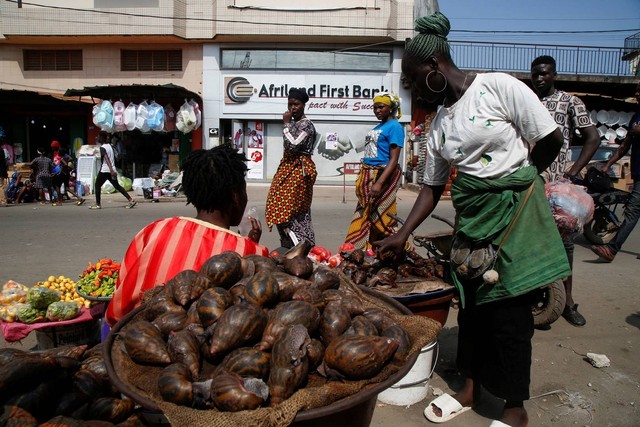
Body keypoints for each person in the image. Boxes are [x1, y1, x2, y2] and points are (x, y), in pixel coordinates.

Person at [374, 12, 569, 427]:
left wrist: (520, 186)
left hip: (514, 216)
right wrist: (402, 234)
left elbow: (550, 139)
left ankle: (514, 408)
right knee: (473, 309)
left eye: (412, 78)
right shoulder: (439, 124)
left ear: (434, 69)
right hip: (473, 222)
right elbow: (430, 187)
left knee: (511, 317)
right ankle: (469, 388)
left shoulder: (497, 87)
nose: (410, 87)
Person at [106, 145, 269, 325]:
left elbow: (116, 311)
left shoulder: (152, 231)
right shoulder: (252, 252)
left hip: (128, 338)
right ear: (236, 196)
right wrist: (252, 250)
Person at [530, 55, 600, 327]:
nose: (539, 78)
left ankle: (567, 302)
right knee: (533, 244)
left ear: (554, 74)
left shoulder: (570, 101)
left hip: (557, 185)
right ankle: (541, 300)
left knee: (565, 246)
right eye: (535, 73)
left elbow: (592, 138)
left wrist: (573, 171)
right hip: (529, 182)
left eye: (544, 73)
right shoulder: (527, 100)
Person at [344, 92, 405, 249]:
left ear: (391, 108)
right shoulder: (379, 127)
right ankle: (368, 249)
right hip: (369, 175)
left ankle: (399, 248)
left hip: (381, 176)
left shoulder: (395, 127)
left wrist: (379, 183)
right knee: (368, 215)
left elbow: (393, 159)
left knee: (382, 217)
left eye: (381, 107)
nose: (377, 110)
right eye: (375, 107)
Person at [591, 81, 640, 262]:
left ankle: (611, 249)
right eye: (636, 90)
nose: (637, 93)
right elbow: (624, 146)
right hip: (638, 173)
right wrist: (607, 164)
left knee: (632, 212)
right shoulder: (636, 116)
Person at [265, 87, 318, 248]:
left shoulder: (306, 125)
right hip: (287, 168)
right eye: (290, 104)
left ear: (303, 105)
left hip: (299, 170)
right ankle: (287, 243)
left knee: (291, 209)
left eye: (296, 104)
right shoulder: (295, 124)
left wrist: (286, 124)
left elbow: (293, 145)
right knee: (277, 204)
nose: (292, 108)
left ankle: (300, 245)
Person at [90, 135, 136, 209]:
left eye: (98, 137)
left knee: (97, 185)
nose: (96, 138)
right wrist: (112, 170)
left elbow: (106, 158)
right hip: (112, 170)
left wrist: (111, 170)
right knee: (117, 186)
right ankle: (130, 199)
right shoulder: (110, 146)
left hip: (105, 170)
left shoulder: (102, 148)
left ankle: (98, 204)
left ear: (101, 139)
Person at [51, 141, 85, 206]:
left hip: (61, 174)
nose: (58, 152)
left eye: (59, 152)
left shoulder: (62, 159)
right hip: (67, 174)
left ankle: (59, 201)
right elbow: (71, 159)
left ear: (60, 153)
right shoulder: (67, 157)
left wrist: (55, 173)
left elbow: (65, 165)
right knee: (67, 188)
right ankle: (79, 198)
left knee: (57, 186)